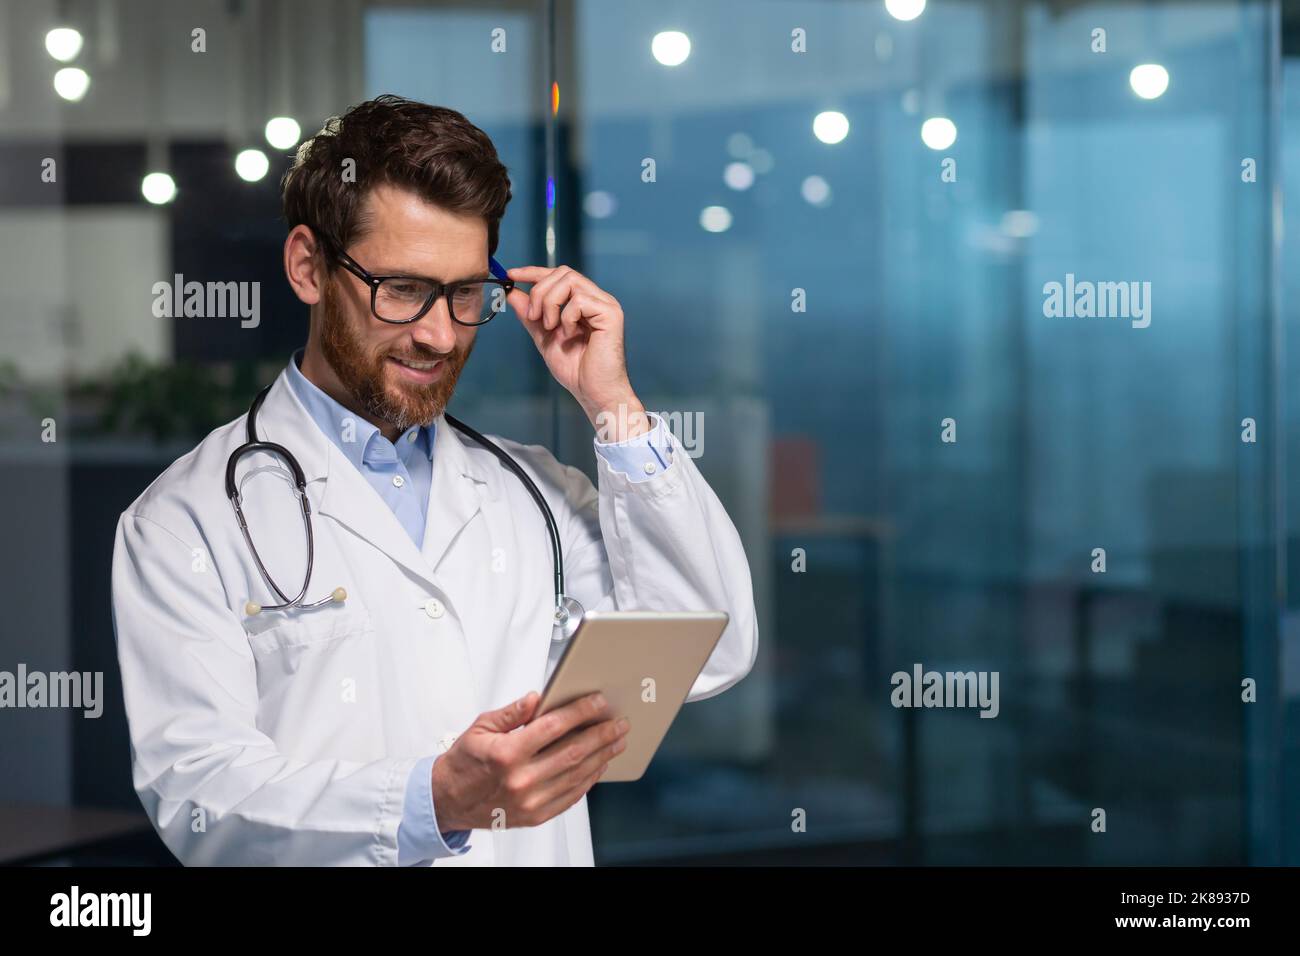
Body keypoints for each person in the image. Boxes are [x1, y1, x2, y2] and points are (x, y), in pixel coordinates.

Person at [109, 95, 759, 866]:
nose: (439, 334)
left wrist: (610, 403)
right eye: (404, 290)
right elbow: (198, 795)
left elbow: (704, 648)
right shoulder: (185, 520)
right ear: (308, 267)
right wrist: (432, 802)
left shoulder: (537, 494)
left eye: (464, 294)